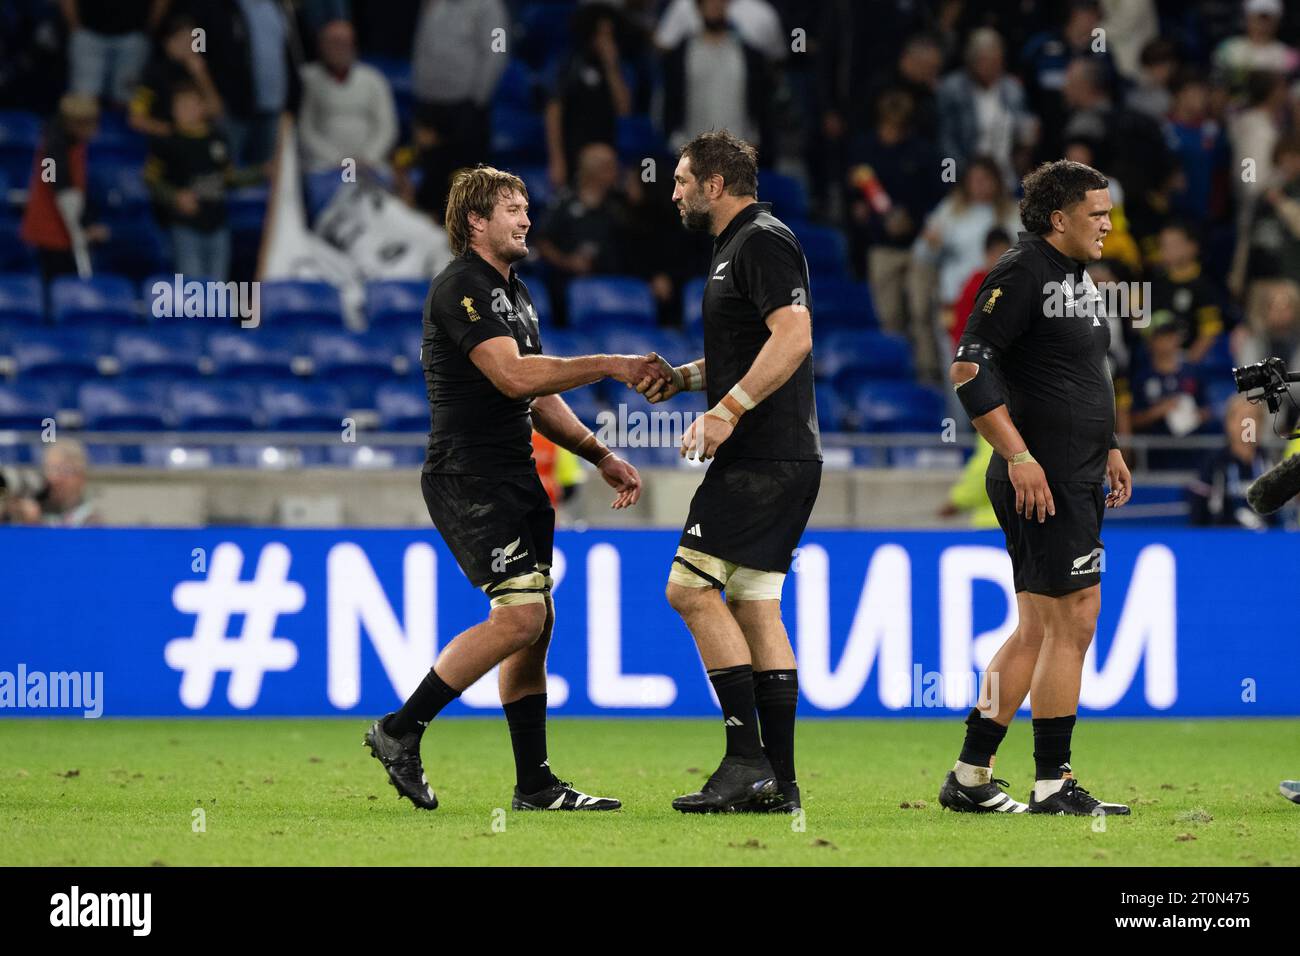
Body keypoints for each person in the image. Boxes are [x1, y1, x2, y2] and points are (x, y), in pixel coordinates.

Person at [364, 165, 672, 812]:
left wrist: (599, 454)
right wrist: (611, 363)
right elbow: (511, 377)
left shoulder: (518, 294)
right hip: (467, 474)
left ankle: (534, 784)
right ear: (476, 221)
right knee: (521, 615)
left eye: (526, 206)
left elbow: (538, 395)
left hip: (513, 475)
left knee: (538, 623)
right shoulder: (460, 289)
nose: (526, 218)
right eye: (511, 207)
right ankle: (400, 729)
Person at [938, 159, 1133, 816]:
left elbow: (1074, 369)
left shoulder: (1073, 277)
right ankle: (1052, 782)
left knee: (1036, 630)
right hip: (1042, 480)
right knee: (1071, 622)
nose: (1108, 225)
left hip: (1073, 471)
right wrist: (1018, 455)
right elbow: (968, 368)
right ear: (1059, 219)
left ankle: (970, 774)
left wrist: (1106, 444)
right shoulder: (1021, 273)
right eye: (1097, 215)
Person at [642, 130, 821, 814]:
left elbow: (795, 336)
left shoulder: (760, 240)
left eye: (684, 180)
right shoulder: (738, 246)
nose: (676, 190)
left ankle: (746, 760)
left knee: (688, 590)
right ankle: (781, 781)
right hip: (779, 453)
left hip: (765, 455)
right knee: (753, 604)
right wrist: (689, 380)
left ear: (716, 185)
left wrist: (729, 411)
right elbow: (756, 347)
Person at [143, 81, 260, 281]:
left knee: (217, 286)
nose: (183, 111)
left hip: (217, 222)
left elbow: (229, 177)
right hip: (185, 226)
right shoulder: (167, 142)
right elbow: (150, 179)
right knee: (192, 287)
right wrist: (175, 197)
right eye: (179, 106)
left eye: (189, 105)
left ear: (202, 107)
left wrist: (262, 173)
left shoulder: (217, 139)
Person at [19, 93, 109, 283]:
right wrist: (84, 226)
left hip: (65, 225)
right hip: (51, 228)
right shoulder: (52, 148)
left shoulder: (71, 143)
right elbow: (58, 187)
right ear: (76, 124)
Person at [298, 18, 397, 173]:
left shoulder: (374, 79)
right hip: (325, 166)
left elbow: (386, 127)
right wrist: (337, 160)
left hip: (369, 164)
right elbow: (305, 129)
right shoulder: (307, 79)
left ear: (354, 45)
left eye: (344, 43)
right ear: (321, 45)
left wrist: (368, 157)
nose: (339, 49)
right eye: (333, 42)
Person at [128, 11, 224, 138]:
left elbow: (216, 111)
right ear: (168, 43)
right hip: (168, 140)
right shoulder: (153, 73)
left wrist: (201, 75)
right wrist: (174, 132)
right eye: (181, 40)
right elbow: (136, 119)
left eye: (192, 40)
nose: (187, 45)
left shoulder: (201, 70)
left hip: (200, 139)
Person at [1188, 396, 1278, 528]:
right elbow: (1198, 516)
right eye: (1242, 418)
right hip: (1222, 542)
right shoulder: (1213, 464)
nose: (1248, 424)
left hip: (1264, 542)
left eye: (1254, 418)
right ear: (1229, 423)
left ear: (1261, 425)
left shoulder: (1270, 464)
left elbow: (1279, 518)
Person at [1, 440, 97, 527]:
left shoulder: (91, 519)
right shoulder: (40, 504)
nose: (54, 478)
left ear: (81, 477)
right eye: (50, 469)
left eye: (63, 471)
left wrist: (36, 524)